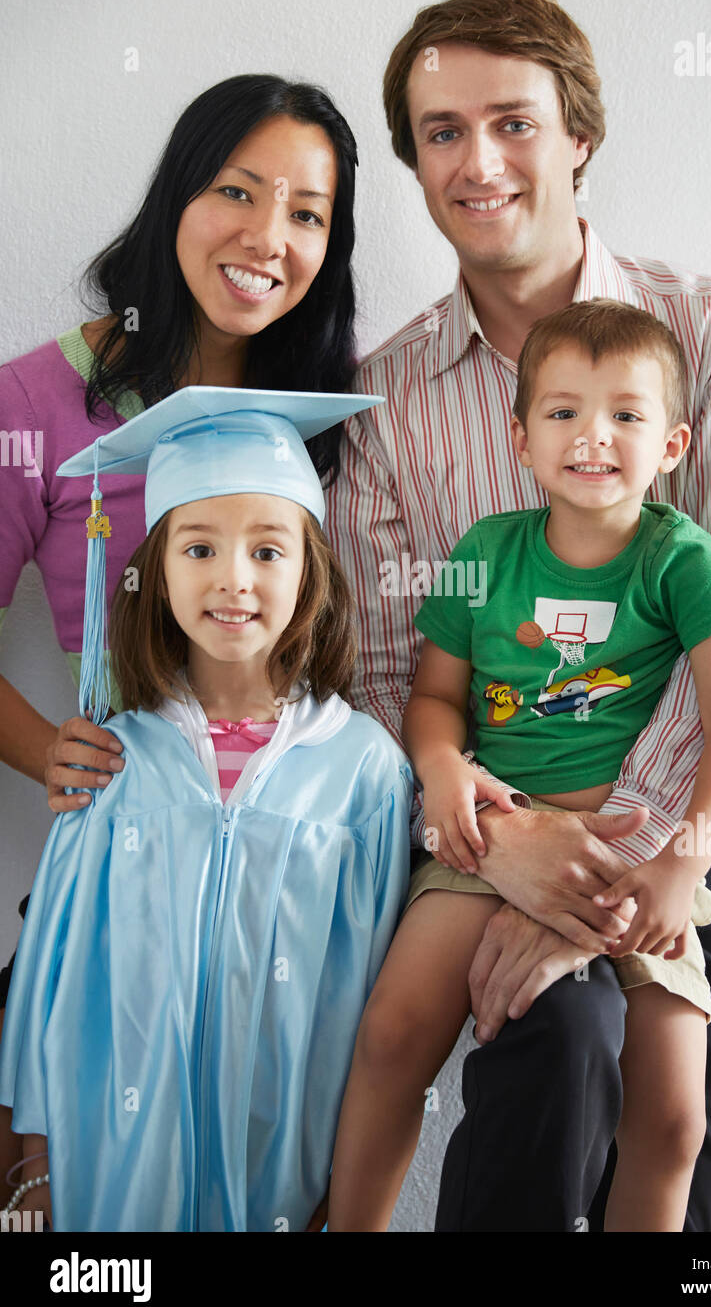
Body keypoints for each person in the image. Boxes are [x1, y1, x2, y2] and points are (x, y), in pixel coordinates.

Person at [324, 0, 711, 1231]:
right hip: (483, 841)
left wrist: (597, 876)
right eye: (441, 132)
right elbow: (387, 675)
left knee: (668, 1141)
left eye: (513, 122)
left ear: (578, 134)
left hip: (690, 856)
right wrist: (502, 843)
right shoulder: (387, 405)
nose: (477, 162)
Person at [328, 299, 711, 1231]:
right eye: (564, 412)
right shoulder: (484, 553)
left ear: (674, 445)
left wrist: (681, 864)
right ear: (521, 438)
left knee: (675, 1120)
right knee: (393, 1033)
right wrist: (442, 769)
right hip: (491, 843)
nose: (592, 436)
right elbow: (432, 695)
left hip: (633, 866)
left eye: (625, 415)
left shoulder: (685, 563)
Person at [0, 72, 360, 1200]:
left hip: (283, 872)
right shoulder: (34, 406)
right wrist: (47, 751)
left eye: (308, 213)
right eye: (236, 191)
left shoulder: (324, 404)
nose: (269, 238)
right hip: (120, 856)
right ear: (176, 198)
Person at [0, 386, 411, 1231]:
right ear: (154, 574)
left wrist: (348, 1186)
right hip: (112, 1180)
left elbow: (380, 1005)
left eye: (268, 550)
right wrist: (34, 1165)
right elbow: (53, 982)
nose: (234, 579)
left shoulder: (363, 770)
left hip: (286, 1173)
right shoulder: (111, 764)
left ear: (310, 570)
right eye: (198, 548)